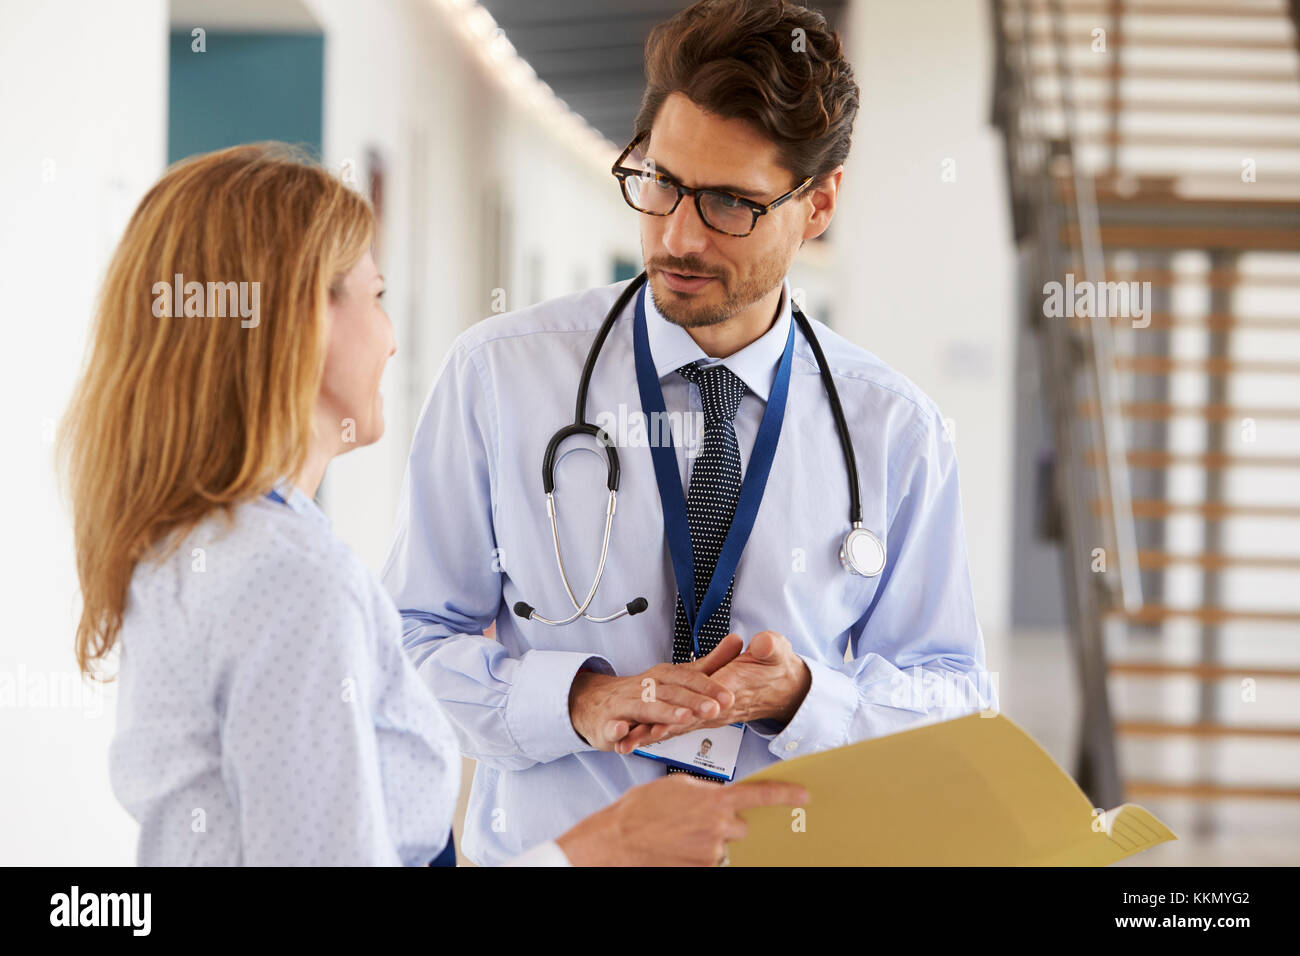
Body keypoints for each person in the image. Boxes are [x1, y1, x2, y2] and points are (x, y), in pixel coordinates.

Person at [57, 142, 806, 866]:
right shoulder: (289, 580)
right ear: (301, 320)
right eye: (377, 296)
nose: (391, 339)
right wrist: (599, 852)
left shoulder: (208, 542)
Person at [382, 0, 997, 867]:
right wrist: (577, 699)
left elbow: (955, 698)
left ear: (819, 204)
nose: (677, 235)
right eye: (660, 182)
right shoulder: (499, 378)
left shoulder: (895, 431)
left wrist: (807, 700)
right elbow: (403, 650)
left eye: (729, 205)